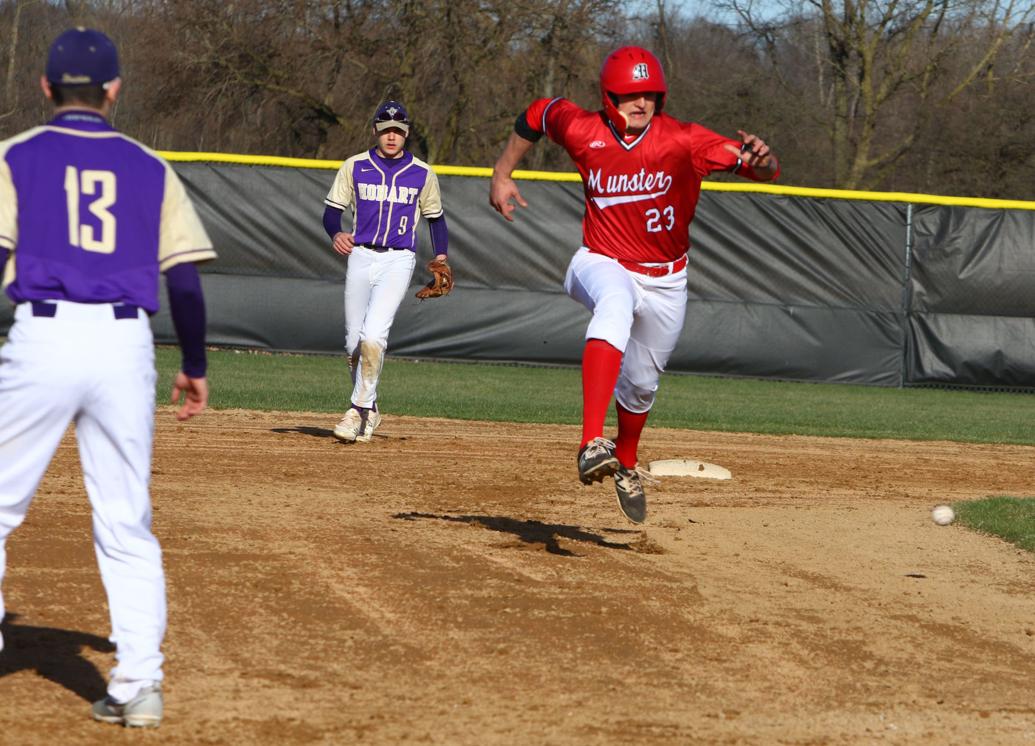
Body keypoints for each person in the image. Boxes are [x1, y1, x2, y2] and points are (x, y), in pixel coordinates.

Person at [0, 28, 216, 727]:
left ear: (45, 88)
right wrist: (193, 364)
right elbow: (183, 280)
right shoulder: (150, 165)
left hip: (44, 335)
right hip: (125, 345)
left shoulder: (16, 156)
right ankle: (138, 685)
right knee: (126, 520)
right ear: (114, 91)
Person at [489, 46, 779, 524]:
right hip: (601, 261)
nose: (640, 103)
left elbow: (762, 168)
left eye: (648, 94)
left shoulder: (683, 140)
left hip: (668, 281)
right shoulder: (584, 130)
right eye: (628, 95)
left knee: (642, 385)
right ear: (608, 97)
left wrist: (763, 159)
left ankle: (624, 462)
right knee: (615, 306)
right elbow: (538, 113)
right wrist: (502, 173)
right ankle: (589, 442)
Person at [323, 100, 450, 443]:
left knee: (373, 336)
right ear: (376, 132)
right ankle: (370, 409)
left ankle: (355, 410)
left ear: (406, 134)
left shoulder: (422, 172)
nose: (392, 136)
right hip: (361, 256)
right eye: (386, 130)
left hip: (398, 259)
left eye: (398, 131)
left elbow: (436, 219)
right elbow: (331, 212)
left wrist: (441, 255)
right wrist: (335, 232)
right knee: (353, 344)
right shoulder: (355, 166)